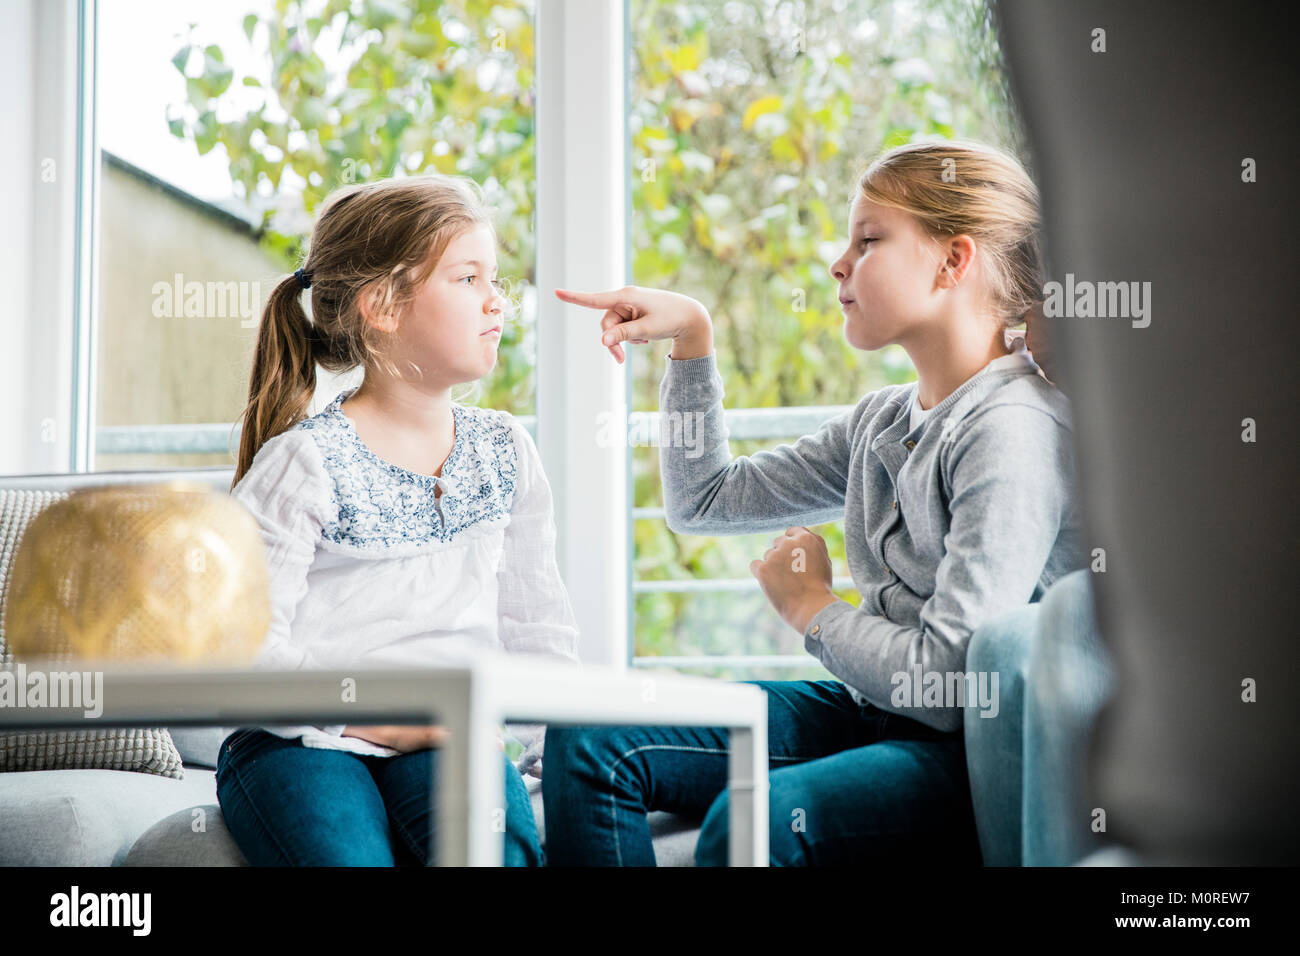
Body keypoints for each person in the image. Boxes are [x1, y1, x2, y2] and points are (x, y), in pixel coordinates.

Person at [543, 139, 1086, 866]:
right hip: (871, 714)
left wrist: (812, 609)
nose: (838, 264)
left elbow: (953, 684)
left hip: (964, 755)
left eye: (868, 241)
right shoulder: (883, 421)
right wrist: (692, 342)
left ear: (954, 261)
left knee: (757, 824)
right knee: (590, 739)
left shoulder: (1012, 427)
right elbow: (705, 500)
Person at [218, 174, 580, 866]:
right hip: (296, 741)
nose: (497, 301)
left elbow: (537, 632)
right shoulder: (302, 462)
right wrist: (375, 719)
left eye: (494, 279)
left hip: (447, 739)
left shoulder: (508, 453)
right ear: (382, 304)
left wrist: (558, 756)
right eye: (468, 277)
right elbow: (243, 648)